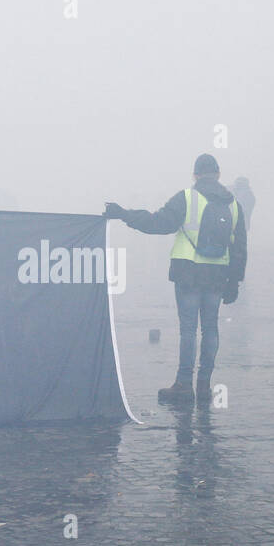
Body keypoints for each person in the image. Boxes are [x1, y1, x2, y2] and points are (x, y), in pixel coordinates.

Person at [103, 153, 248, 407]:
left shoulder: (187, 198)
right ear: (218, 174)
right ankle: (204, 385)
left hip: (188, 272)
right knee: (211, 328)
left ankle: (183, 384)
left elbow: (158, 223)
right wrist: (234, 282)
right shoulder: (234, 205)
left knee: (189, 329)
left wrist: (124, 214)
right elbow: (240, 248)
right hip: (217, 274)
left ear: (195, 175)